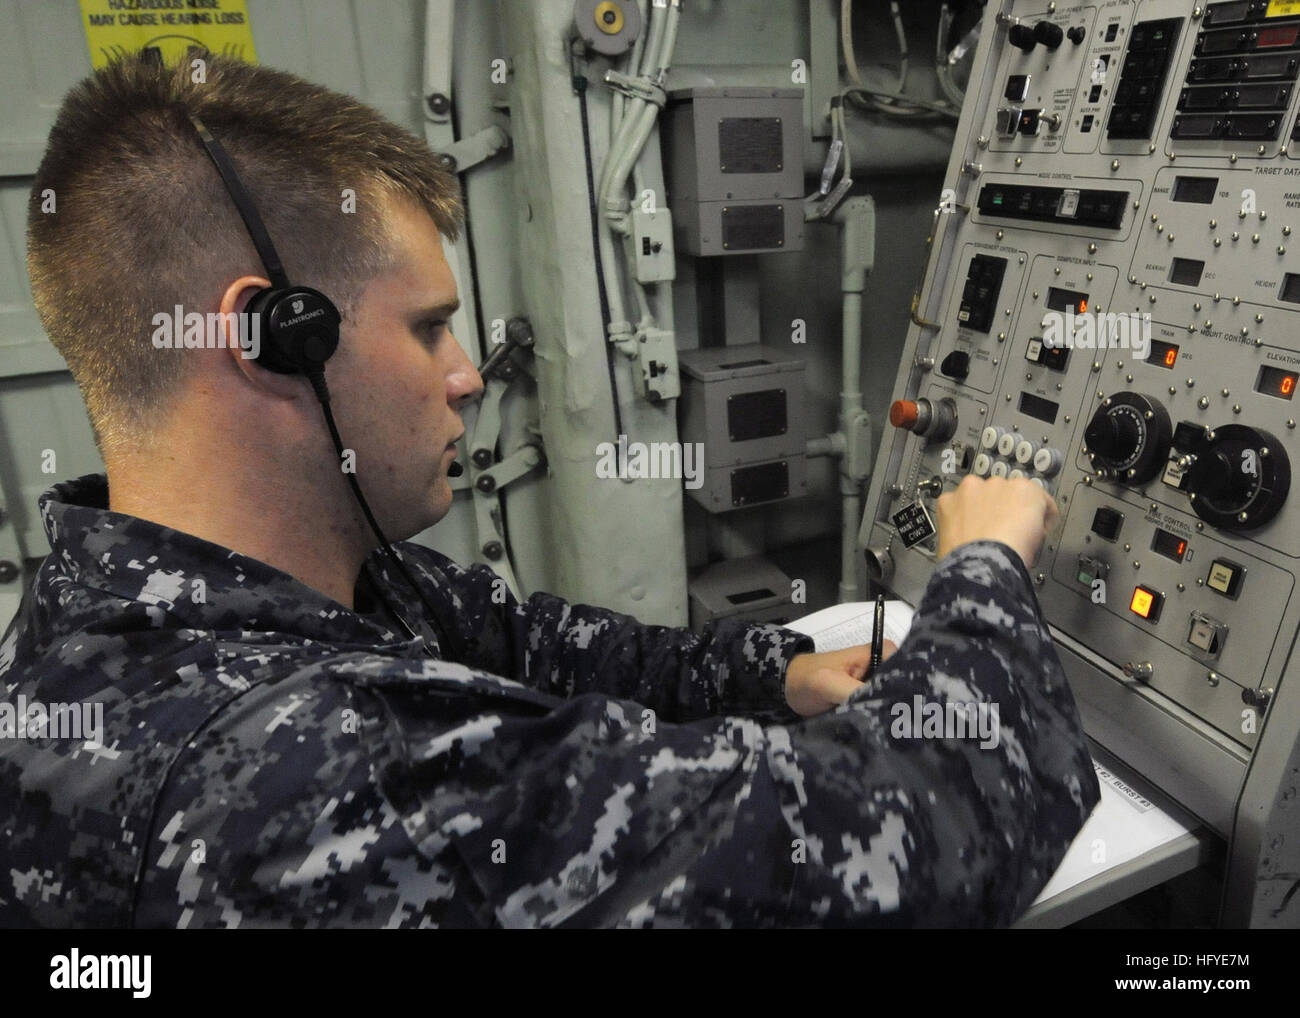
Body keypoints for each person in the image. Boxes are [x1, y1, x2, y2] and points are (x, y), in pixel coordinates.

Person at [0, 53, 1098, 928]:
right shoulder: (318, 775)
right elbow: (931, 838)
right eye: (428, 327)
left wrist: (780, 672)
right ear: (274, 338)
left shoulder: (149, 601)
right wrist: (985, 563)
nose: (467, 372)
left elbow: (539, 647)